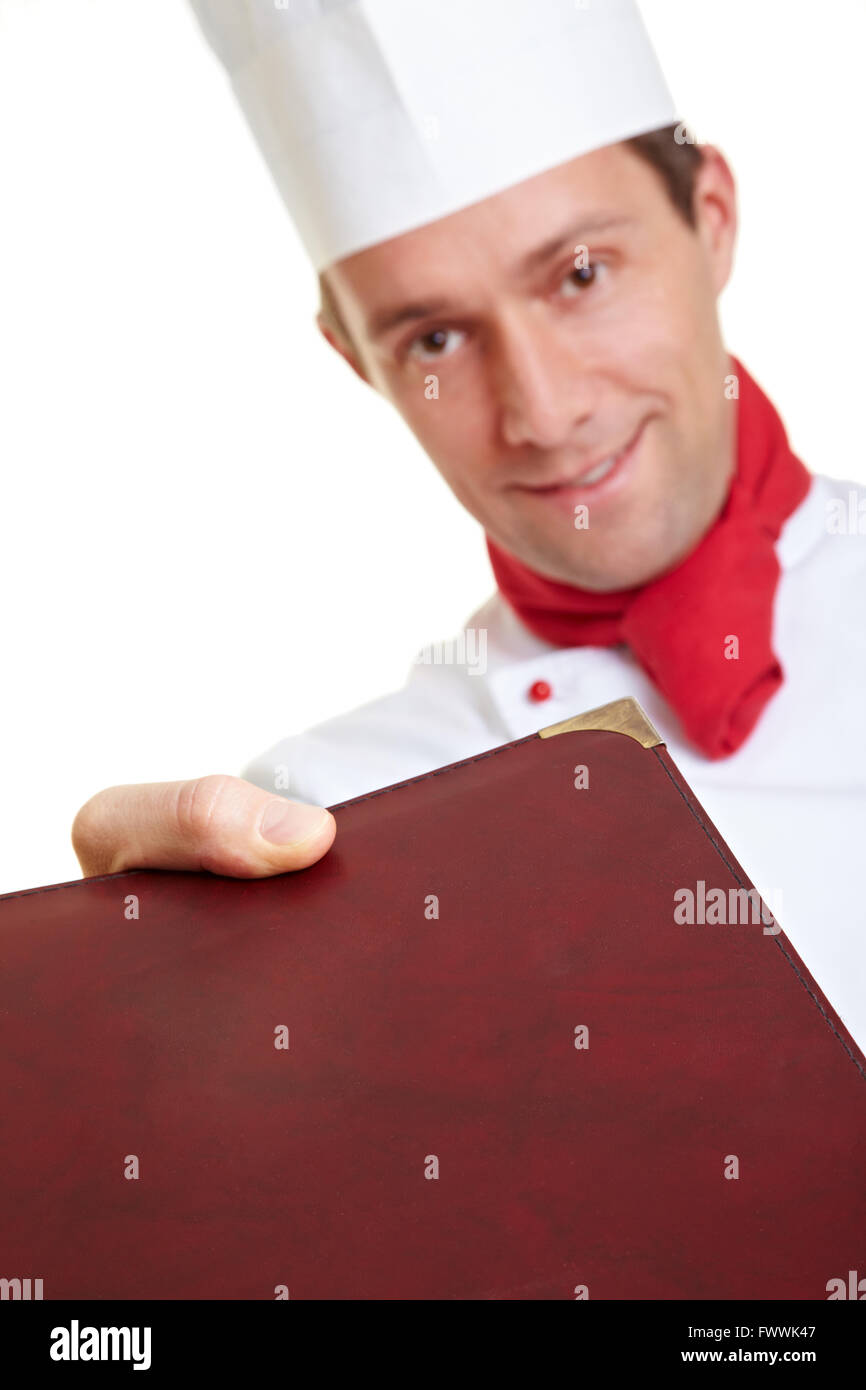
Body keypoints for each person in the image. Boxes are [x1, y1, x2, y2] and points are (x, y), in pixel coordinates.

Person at [72, 0, 866, 1054]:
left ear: (709, 219)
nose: (541, 412)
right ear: (359, 362)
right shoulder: (329, 815)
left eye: (580, 274)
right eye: (434, 336)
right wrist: (111, 1036)